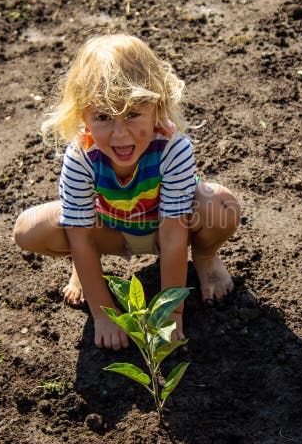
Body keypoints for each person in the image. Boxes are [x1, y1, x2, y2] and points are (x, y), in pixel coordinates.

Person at [13, 34, 240, 351]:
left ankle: (204, 258)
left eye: (133, 113)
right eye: (103, 117)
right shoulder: (81, 156)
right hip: (110, 230)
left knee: (221, 205)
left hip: (168, 230)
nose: (120, 134)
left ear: (157, 106)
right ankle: (85, 270)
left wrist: (170, 313)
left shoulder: (172, 148)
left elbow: (174, 235)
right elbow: (80, 235)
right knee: (30, 228)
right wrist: (103, 315)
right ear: (83, 117)